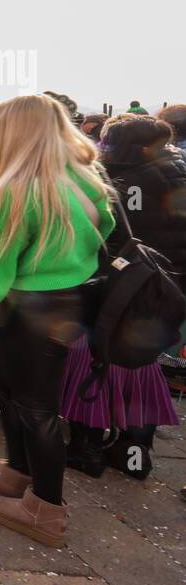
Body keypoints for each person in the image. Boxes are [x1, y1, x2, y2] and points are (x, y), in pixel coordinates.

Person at [0, 94, 114, 548]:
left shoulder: (18, 189)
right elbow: (108, 229)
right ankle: (16, 473)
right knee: (7, 384)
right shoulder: (84, 178)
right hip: (67, 301)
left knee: (36, 406)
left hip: (34, 304)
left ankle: (46, 509)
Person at [60, 114, 184, 478]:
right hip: (164, 290)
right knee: (141, 364)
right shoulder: (176, 171)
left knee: (97, 361)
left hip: (120, 286)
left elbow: (103, 239)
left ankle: (88, 448)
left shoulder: (121, 178)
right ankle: (135, 453)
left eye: (108, 141)